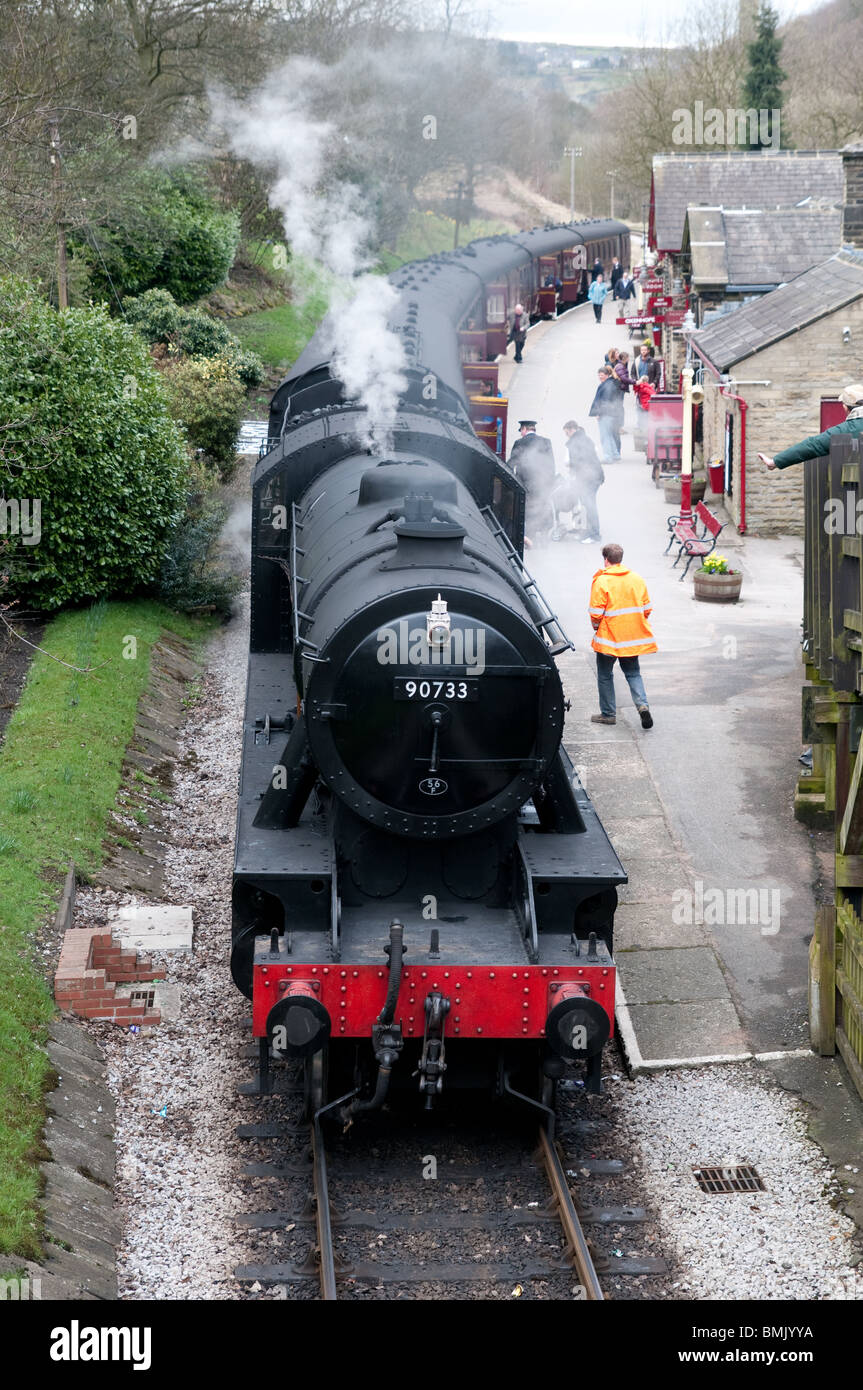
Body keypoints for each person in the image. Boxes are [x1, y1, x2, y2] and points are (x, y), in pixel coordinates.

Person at [588, 543, 656, 728]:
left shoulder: (602, 581)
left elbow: (595, 613)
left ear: (606, 559)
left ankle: (608, 714)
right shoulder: (637, 579)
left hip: (609, 639)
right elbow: (647, 609)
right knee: (633, 673)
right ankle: (642, 706)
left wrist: (597, 628)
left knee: (605, 675)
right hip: (631, 639)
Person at [759, 383, 863, 470]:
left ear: (845, 407)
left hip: (855, 493)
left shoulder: (849, 428)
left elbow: (814, 445)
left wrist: (775, 461)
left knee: (851, 494)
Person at [508, 419, 556, 540]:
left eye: (521, 430)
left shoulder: (519, 443)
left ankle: (531, 537)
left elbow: (511, 464)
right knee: (543, 507)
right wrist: (549, 483)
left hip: (525, 484)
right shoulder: (546, 442)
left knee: (529, 510)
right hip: (542, 483)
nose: (521, 433)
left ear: (524, 429)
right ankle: (544, 536)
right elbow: (551, 465)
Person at [564, 420, 604, 543]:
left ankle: (595, 535)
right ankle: (589, 532)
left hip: (589, 478)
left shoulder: (575, 442)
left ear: (572, 429)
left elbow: (577, 463)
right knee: (588, 505)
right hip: (594, 477)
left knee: (590, 505)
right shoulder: (585, 438)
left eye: (566, 433)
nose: (566, 436)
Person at [589, 366, 624, 461]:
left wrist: (598, 413)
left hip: (606, 414)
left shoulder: (606, 385)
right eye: (599, 375)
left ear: (607, 375)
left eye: (602, 375)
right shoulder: (611, 383)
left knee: (605, 436)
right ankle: (615, 455)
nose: (600, 377)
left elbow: (605, 401)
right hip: (612, 413)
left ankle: (608, 457)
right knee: (609, 435)